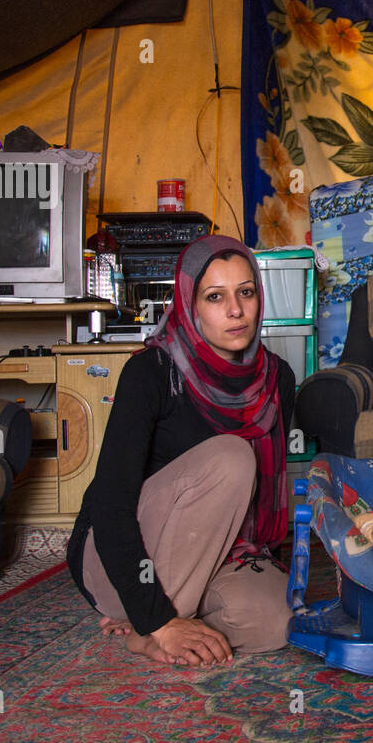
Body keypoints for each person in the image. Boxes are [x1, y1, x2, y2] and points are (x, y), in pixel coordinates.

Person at [66, 235, 295, 667]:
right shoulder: (150, 373)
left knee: (277, 621)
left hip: (218, 552)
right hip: (121, 558)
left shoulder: (276, 377)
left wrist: (267, 570)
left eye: (246, 292)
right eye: (215, 297)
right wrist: (156, 617)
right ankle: (150, 625)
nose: (235, 311)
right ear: (189, 303)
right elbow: (110, 508)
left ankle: (163, 615)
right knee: (230, 458)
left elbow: (268, 492)